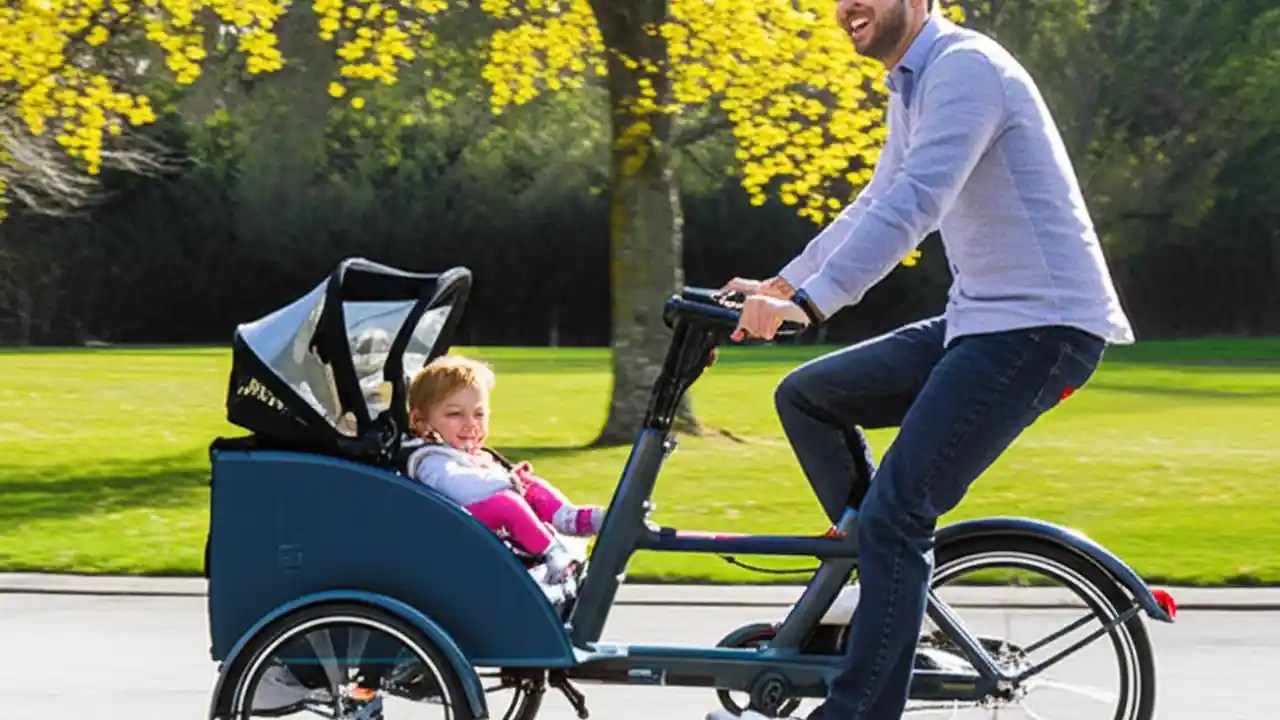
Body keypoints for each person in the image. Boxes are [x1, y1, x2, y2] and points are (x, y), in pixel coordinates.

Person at [706, 0, 1133, 718]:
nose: (848, 8)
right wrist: (784, 285)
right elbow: (875, 200)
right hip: (984, 320)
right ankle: (888, 591)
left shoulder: (967, 69)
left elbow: (915, 204)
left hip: (1042, 327)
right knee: (808, 397)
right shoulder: (913, 80)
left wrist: (812, 305)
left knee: (899, 513)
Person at [402, 355, 605, 583]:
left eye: (479, 414)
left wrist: (515, 480)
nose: (471, 424)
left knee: (532, 485)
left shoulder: (464, 452)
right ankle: (553, 552)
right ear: (420, 422)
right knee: (507, 503)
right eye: (455, 414)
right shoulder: (431, 459)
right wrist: (505, 481)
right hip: (457, 526)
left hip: (475, 518)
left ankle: (570, 518)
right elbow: (457, 485)